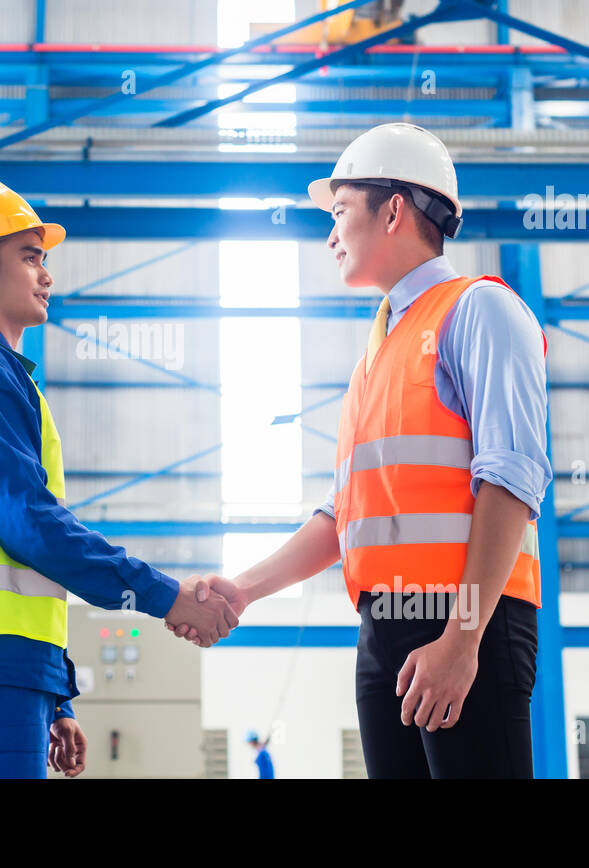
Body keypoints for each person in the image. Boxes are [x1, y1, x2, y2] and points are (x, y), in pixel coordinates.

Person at [168, 124, 551, 778]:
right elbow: (343, 516)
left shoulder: (480, 310)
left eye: (341, 211)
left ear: (394, 210)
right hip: (385, 630)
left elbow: (512, 479)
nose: (330, 234)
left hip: (463, 617)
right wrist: (245, 589)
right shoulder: (378, 350)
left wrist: (461, 640)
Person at [0, 178, 239, 779]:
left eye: (44, 260)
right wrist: (167, 596)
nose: (47, 275)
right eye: (30, 259)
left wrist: (53, 690)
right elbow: (28, 524)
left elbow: (11, 554)